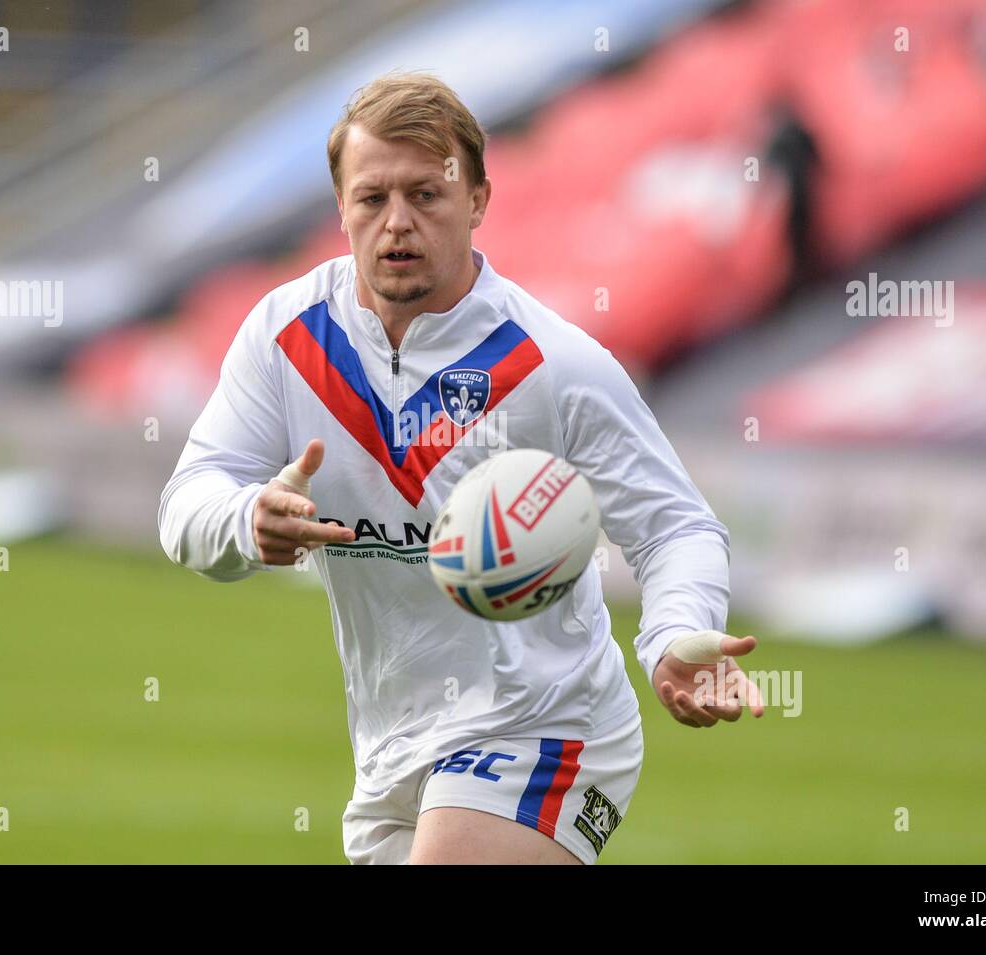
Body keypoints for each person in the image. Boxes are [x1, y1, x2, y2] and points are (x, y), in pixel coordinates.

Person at [159, 71, 763, 865]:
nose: (397, 223)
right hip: (392, 744)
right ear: (340, 208)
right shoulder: (288, 339)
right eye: (372, 198)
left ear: (478, 200)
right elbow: (187, 503)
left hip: (546, 725)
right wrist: (245, 520)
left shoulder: (553, 363)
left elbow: (675, 524)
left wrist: (674, 634)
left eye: (426, 195)